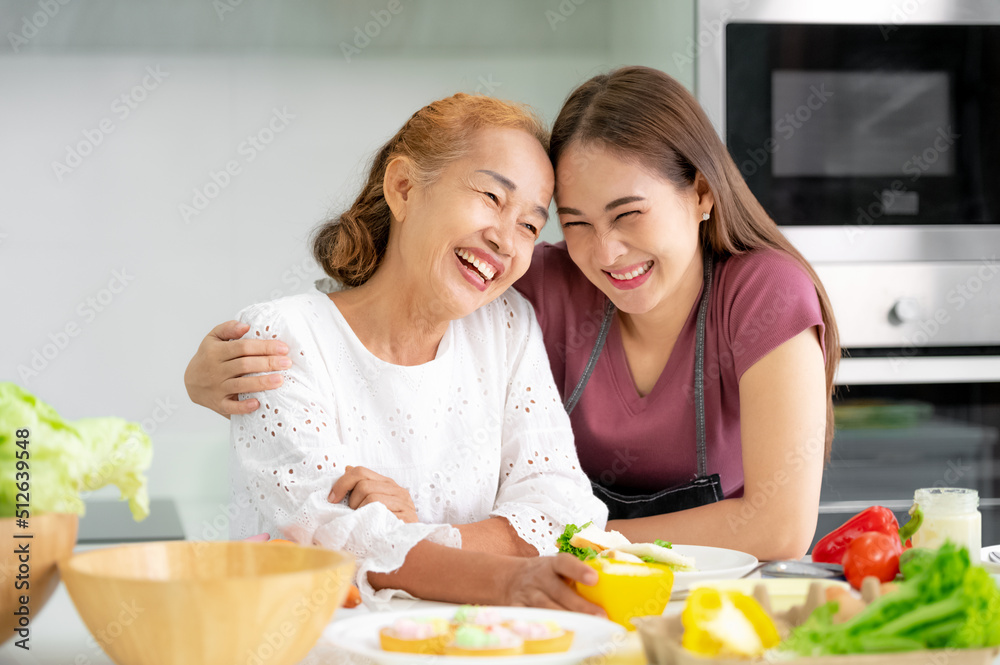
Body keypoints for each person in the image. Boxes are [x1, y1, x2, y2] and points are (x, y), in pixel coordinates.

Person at [187, 67, 839, 561]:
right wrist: (208, 374)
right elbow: (397, 303)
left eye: (628, 214)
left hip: (707, 601)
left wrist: (553, 533)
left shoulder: (763, 295)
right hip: (559, 592)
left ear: (700, 192)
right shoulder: (542, 282)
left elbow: (777, 527)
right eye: (575, 222)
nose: (606, 252)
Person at [219, 92, 609, 612]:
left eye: (531, 226)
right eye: (492, 197)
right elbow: (329, 537)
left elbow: (564, 510)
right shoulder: (284, 336)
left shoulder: (508, 325)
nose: (507, 241)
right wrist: (504, 577)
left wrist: (421, 532)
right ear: (404, 188)